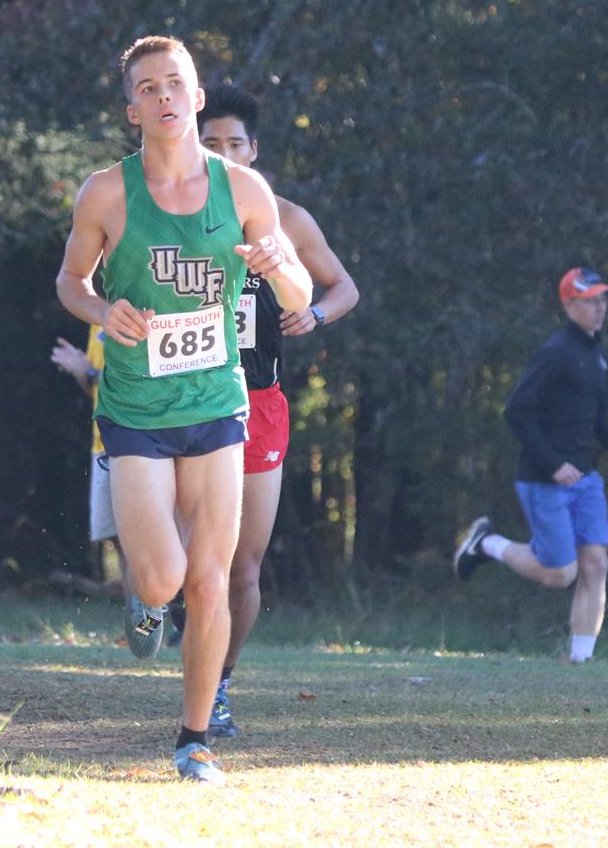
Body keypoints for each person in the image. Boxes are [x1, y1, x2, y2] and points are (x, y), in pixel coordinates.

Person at [55, 35, 312, 784]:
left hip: (216, 402)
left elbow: (297, 296)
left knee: (211, 578)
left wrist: (278, 267)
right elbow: (71, 283)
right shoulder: (106, 193)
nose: (165, 97)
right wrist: (105, 312)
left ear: (198, 99)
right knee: (164, 580)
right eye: (149, 87)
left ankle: (193, 739)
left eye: (178, 84)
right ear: (132, 106)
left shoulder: (245, 193)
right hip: (136, 407)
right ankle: (143, 599)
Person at [197, 85, 359, 737]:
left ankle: (220, 686)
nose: (226, 155)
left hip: (260, 399)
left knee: (244, 564)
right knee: (185, 558)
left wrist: (313, 313)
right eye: (212, 145)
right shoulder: (175, 212)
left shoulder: (286, 219)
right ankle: (156, 605)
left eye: (236, 144)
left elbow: (345, 286)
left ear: (255, 150)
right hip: (190, 394)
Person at [453, 267, 608, 665]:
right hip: (545, 479)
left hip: (587, 477)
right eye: (591, 300)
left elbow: (595, 421)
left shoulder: (597, 355)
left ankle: (580, 662)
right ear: (569, 303)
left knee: (597, 563)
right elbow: (517, 412)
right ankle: (486, 543)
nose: (600, 307)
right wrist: (554, 464)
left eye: (603, 299)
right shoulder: (555, 353)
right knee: (560, 574)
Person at [49, 327, 122, 580]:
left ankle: (176, 619)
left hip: (138, 442)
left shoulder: (135, 300)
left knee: (143, 548)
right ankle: (140, 622)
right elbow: (96, 389)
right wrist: (83, 370)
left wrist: (88, 372)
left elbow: (136, 379)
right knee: (126, 550)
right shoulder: (95, 318)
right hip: (103, 443)